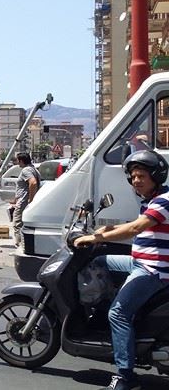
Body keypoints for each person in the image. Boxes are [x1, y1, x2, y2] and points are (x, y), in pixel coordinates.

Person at [75, 150, 169, 390]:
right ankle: (105, 310)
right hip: (140, 261)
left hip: (154, 269)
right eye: (133, 177)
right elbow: (130, 225)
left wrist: (94, 239)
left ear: (156, 176)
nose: (136, 180)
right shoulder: (151, 200)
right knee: (100, 262)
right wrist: (101, 232)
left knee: (118, 314)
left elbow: (135, 228)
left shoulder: (164, 201)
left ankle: (126, 377)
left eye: (141, 176)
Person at [10, 152, 41, 246]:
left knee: (18, 224)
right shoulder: (34, 169)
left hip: (24, 202)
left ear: (21, 161)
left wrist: (30, 199)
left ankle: (20, 245)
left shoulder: (26, 170)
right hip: (24, 200)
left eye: (17, 160)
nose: (16, 162)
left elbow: (33, 183)